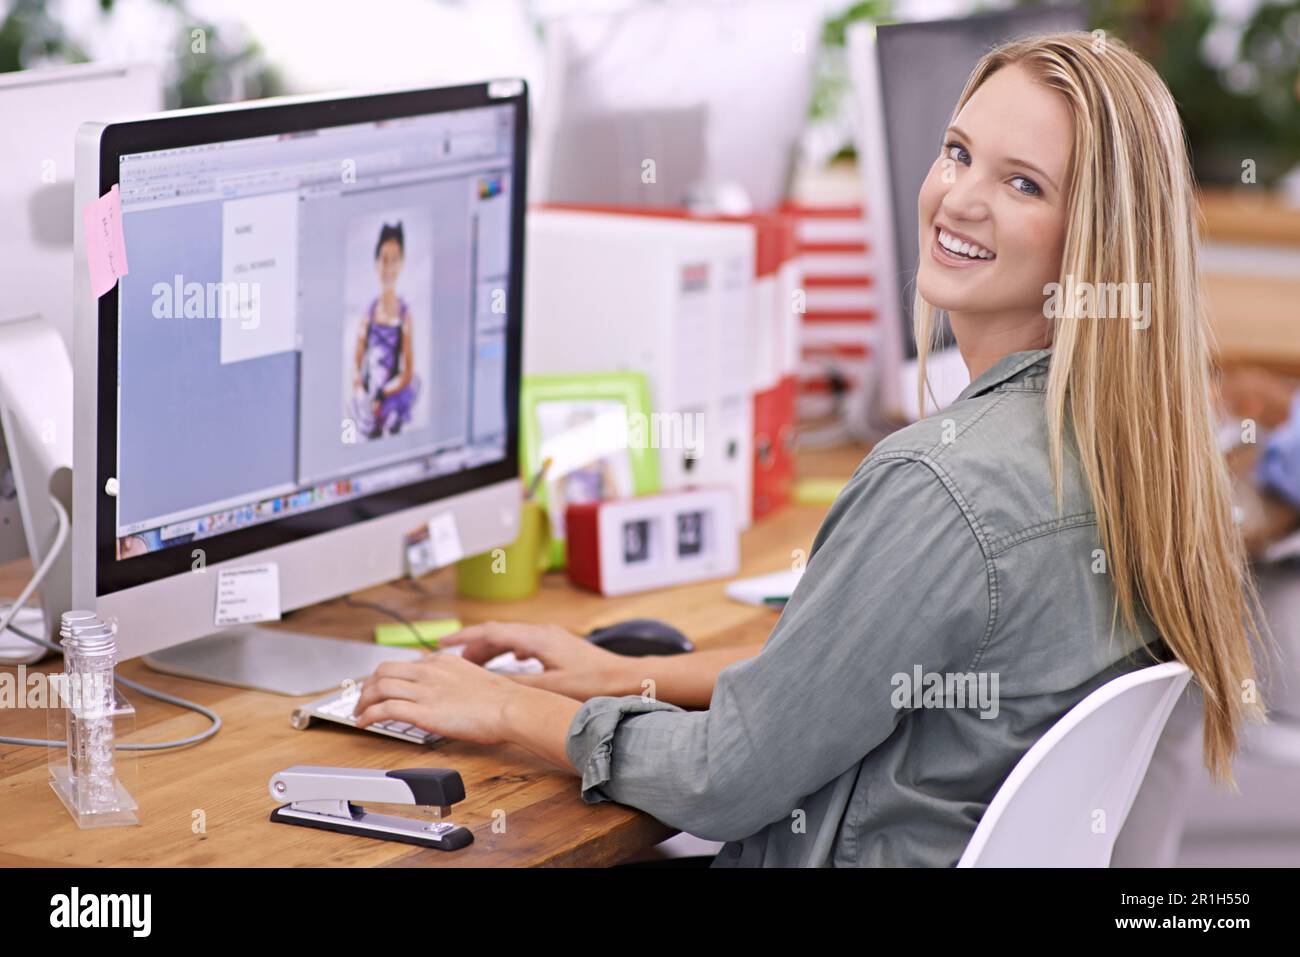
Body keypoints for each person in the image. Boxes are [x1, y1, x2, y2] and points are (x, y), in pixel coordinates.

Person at [353, 33, 1268, 866]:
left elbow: (727, 779)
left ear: (1092, 247)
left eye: (1023, 184)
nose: (960, 196)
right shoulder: (1146, 458)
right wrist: (632, 672)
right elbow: (862, 686)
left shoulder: (941, 487)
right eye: (958, 153)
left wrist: (511, 708)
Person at [351, 222, 418, 439]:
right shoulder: (369, 314)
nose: (388, 266)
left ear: (402, 263)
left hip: (392, 394)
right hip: (369, 395)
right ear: (376, 262)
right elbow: (357, 359)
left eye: (394, 259)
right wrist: (362, 390)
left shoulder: (404, 315)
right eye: (384, 258)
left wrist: (384, 393)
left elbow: (408, 371)